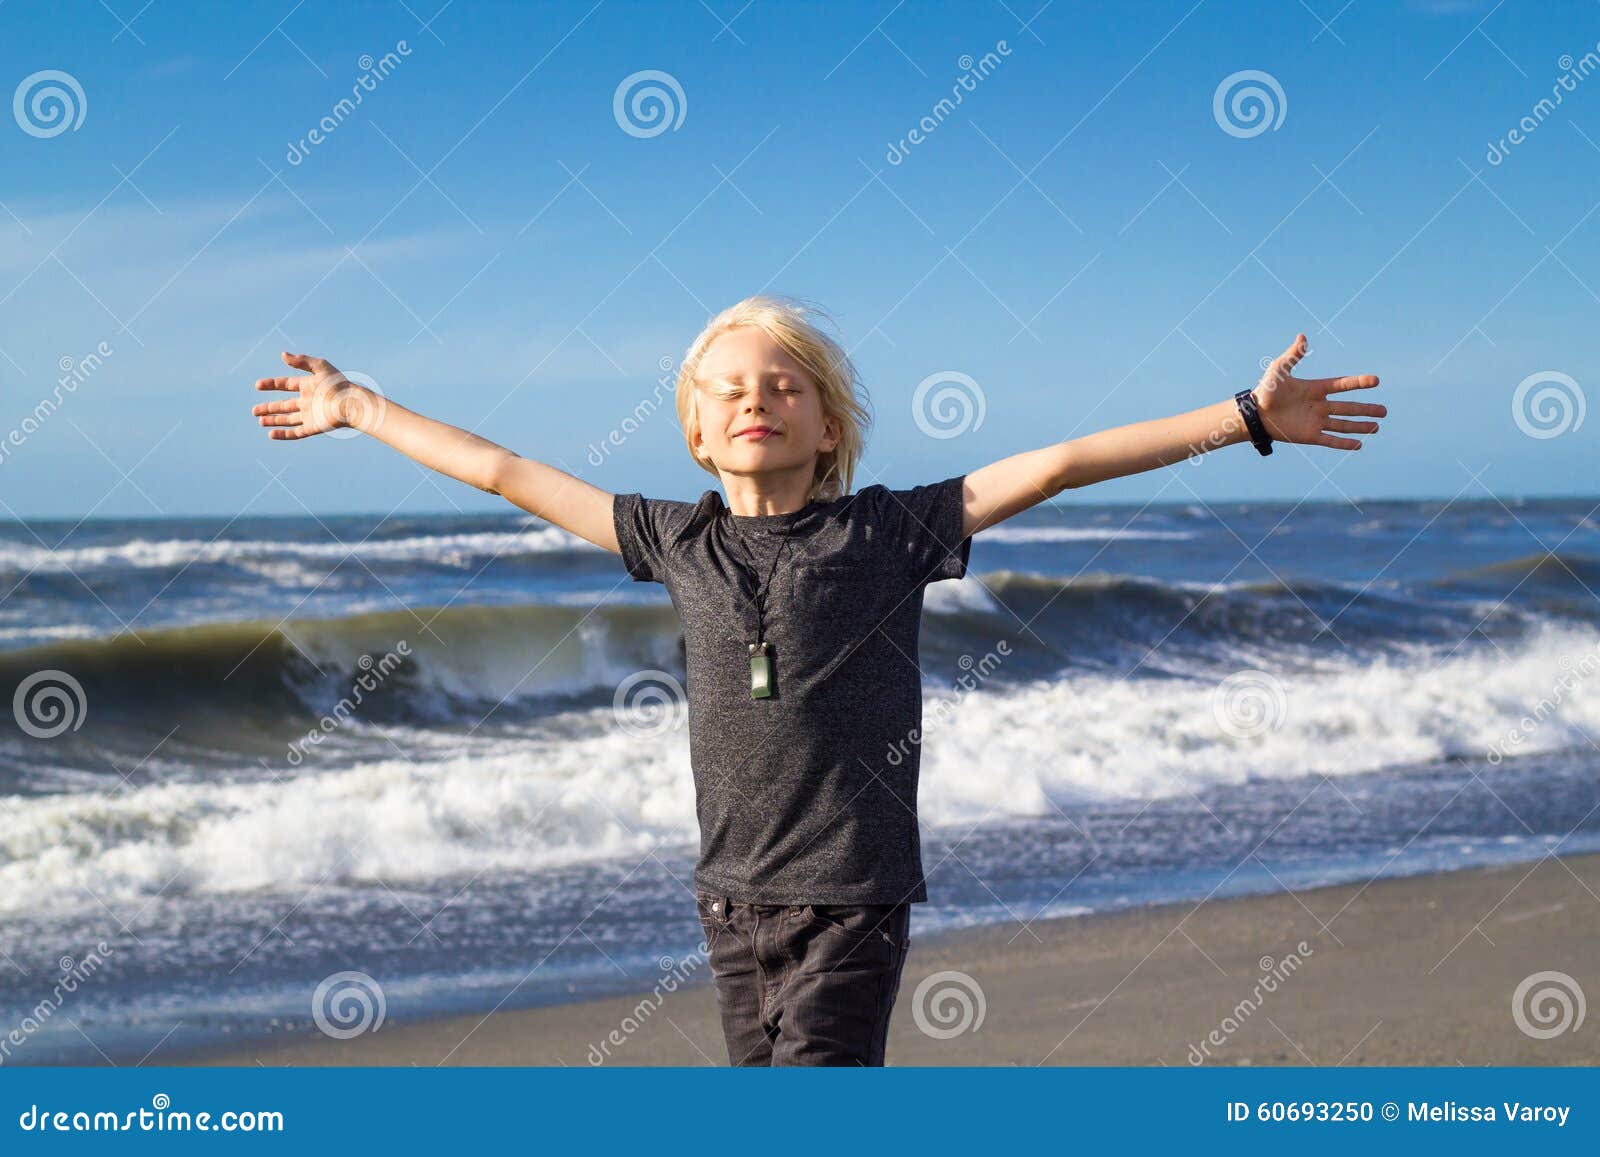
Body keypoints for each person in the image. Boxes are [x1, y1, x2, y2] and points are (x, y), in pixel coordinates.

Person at [249, 294, 1384, 1065]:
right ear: (696, 426)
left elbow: (1058, 462)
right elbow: (502, 470)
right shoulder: (670, 538)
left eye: (783, 385)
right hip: (728, 894)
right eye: (729, 388)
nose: (756, 400)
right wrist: (360, 408)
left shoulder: (890, 531)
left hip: (849, 893)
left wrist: (1241, 418)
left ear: (827, 420)